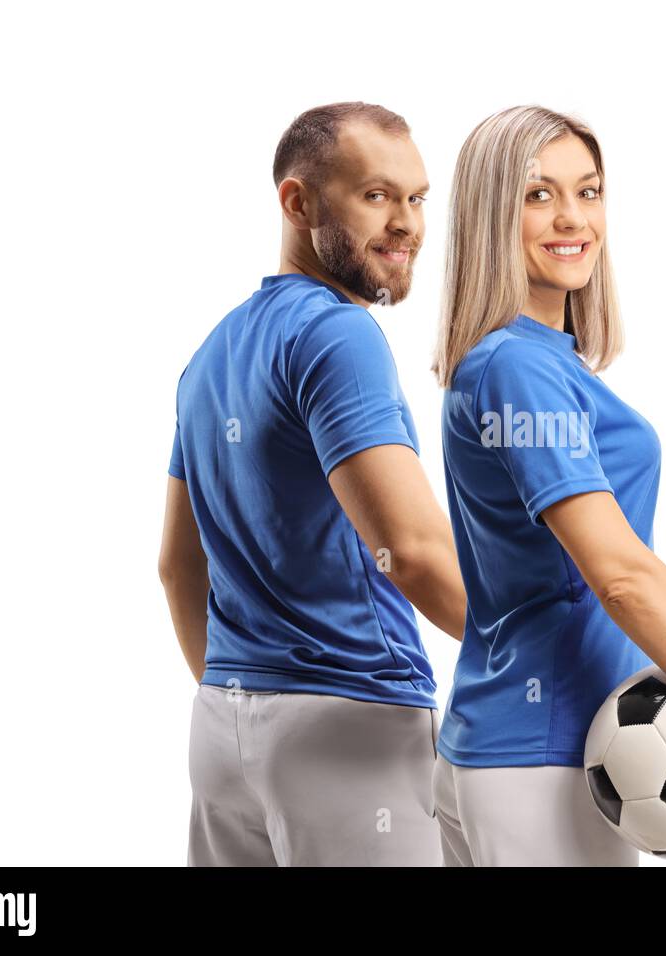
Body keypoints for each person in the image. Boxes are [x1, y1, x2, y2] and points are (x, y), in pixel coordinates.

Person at [429, 106, 666, 866]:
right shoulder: (519, 368)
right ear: (490, 213)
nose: (573, 218)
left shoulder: (525, 363)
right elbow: (622, 576)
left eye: (589, 191)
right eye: (538, 196)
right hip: (544, 761)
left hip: (508, 748)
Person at [159, 102, 467, 866]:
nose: (406, 224)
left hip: (222, 728)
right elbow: (415, 550)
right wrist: (541, 657)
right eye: (375, 196)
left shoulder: (211, 354)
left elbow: (176, 564)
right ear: (297, 202)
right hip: (348, 727)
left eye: (417, 198)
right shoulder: (336, 334)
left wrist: (251, 704)